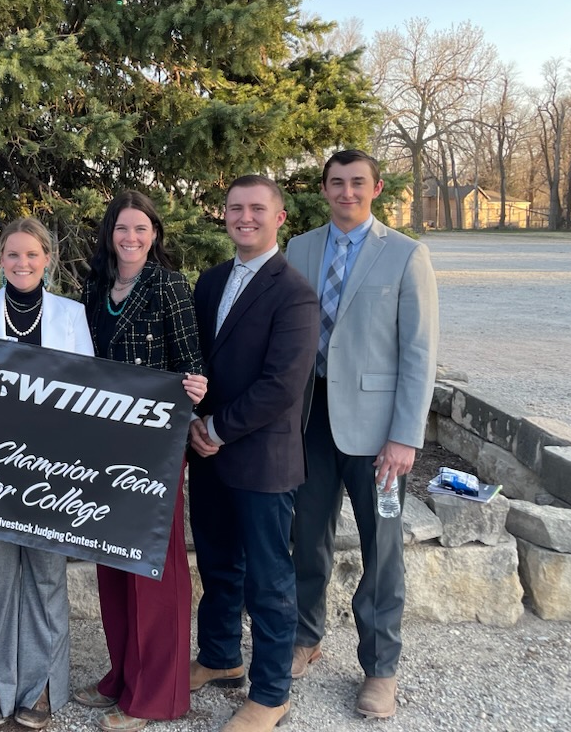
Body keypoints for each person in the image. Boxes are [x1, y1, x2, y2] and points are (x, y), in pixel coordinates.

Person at [286, 149, 439, 721]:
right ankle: (306, 637)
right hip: (309, 419)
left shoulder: (404, 255)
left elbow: (419, 352)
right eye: (336, 183)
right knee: (308, 536)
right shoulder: (299, 250)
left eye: (357, 183)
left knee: (383, 547)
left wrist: (405, 436)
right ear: (323, 189)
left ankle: (380, 670)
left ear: (375, 188)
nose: (346, 192)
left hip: (379, 433)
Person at [187, 176, 318, 732]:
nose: (245, 217)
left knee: (267, 579)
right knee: (218, 565)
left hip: (261, 457)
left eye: (257, 209)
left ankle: (270, 693)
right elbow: (194, 357)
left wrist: (217, 426)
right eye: (236, 208)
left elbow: (282, 385)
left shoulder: (294, 291)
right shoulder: (211, 280)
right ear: (224, 214)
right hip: (207, 452)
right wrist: (193, 420)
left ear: (279, 218)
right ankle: (220, 657)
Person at [0, 218, 96, 731]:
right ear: (0, 259)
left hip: (52, 466)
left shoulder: (71, 314)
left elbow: (85, 390)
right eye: (13, 255)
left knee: (45, 577)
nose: (22, 264)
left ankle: (40, 689)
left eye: (32, 255)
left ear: (48, 259)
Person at [75, 191, 207, 732]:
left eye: (141, 229)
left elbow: (190, 364)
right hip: (102, 443)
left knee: (154, 565)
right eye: (122, 229)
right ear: (110, 234)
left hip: (154, 446)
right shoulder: (94, 289)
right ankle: (123, 674)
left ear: (155, 235)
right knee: (112, 559)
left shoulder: (169, 286)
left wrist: (196, 391)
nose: (131, 238)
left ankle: (157, 694)